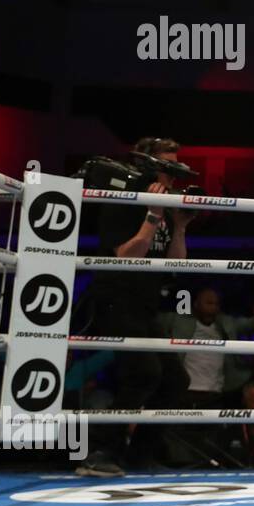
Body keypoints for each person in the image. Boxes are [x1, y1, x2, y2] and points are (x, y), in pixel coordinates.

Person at [78, 136, 198, 476]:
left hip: (145, 304)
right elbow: (124, 256)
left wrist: (178, 226)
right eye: (167, 168)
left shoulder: (167, 204)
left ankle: (139, 456)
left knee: (175, 380)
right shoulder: (123, 200)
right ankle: (100, 452)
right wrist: (152, 214)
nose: (172, 177)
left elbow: (176, 266)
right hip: (115, 298)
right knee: (144, 373)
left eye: (176, 168)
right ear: (147, 165)